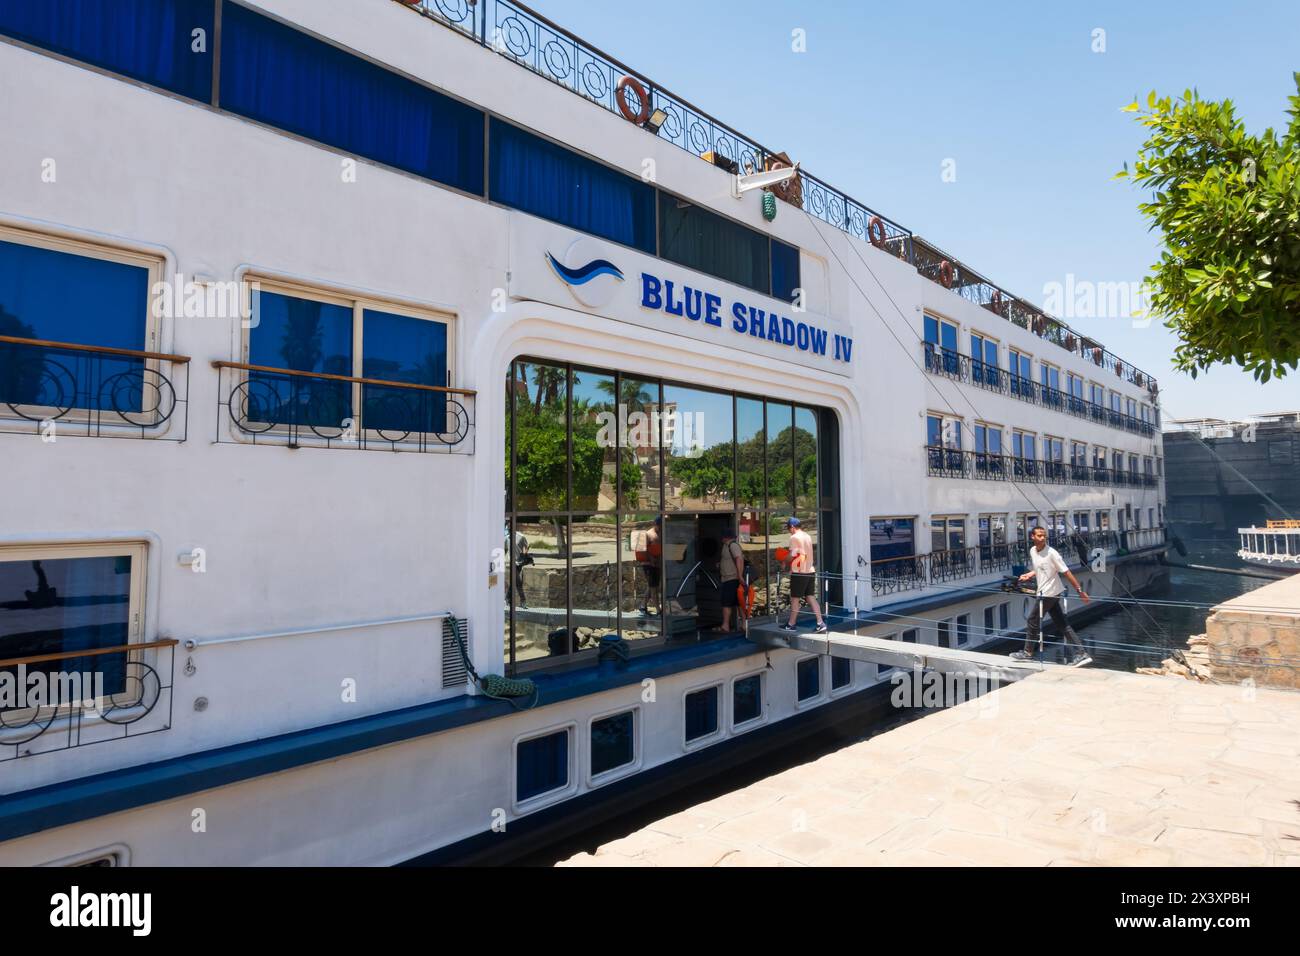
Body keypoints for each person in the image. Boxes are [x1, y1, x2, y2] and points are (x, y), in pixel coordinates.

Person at [1011, 525, 1091, 663]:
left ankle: (1027, 652)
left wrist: (1080, 591)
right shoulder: (1032, 551)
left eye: (1044, 536)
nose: (1042, 538)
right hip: (1047, 592)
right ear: (1032, 537)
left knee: (1032, 619)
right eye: (1039, 535)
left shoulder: (1052, 553)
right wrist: (1029, 574)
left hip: (1049, 593)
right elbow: (1040, 568)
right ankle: (1082, 652)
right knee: (1062, 624)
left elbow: (1066, 572)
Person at [779, 517, 827, 634]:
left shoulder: (794, 537)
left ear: (793, 527)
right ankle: (820, 623)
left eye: (789, 528)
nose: (789, 531)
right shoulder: (807, 536)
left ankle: (791, 624)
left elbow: (792, 554)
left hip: (799, 572)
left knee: (795, 599)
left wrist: (784, 561)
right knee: (810, 596)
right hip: (810, 570)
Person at [714, 524, 746, 634]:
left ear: (725, 537)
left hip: (731, 579)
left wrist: (740, 576)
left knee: (727, 603)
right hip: (730, 578)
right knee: (738, 603)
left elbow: (739, 559)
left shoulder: (732, 545)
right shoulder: (727, 546)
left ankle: (726, 626)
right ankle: (743, 625)